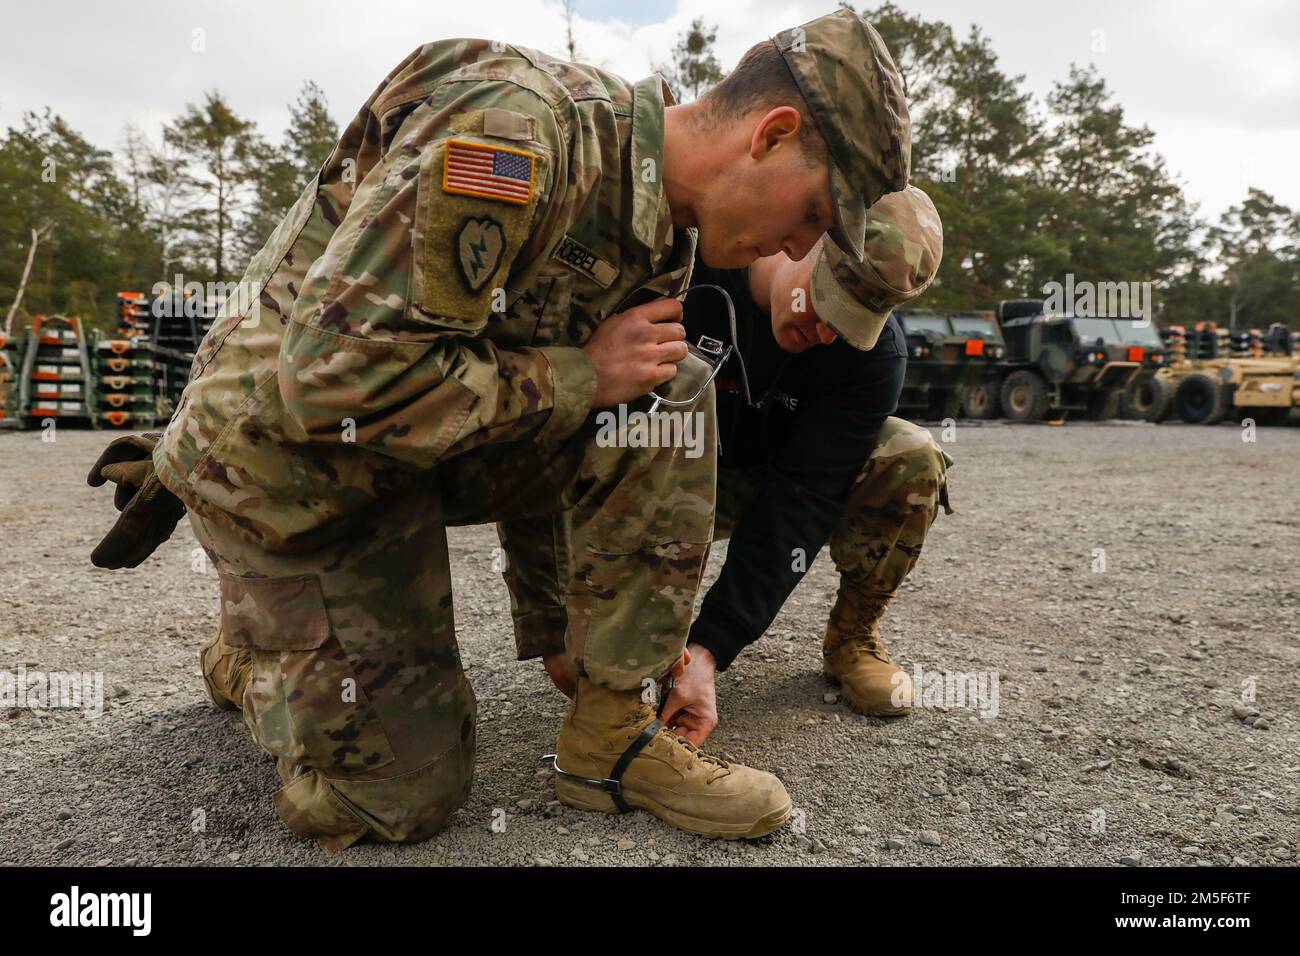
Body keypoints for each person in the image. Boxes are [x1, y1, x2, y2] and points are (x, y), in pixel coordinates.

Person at [86, 9, 911, 850]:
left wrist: (559, 628)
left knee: (667, 389)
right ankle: (254, 654)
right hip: (290, 459)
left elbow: (557, 407)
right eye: (814, 215)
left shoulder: (664, 231)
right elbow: (331, 384)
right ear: (772, 135)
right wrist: (586, 372)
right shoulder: (513, 133)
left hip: (419, 446)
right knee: (401, 799)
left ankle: (612, 737)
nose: (801, 245)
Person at [654, 185, 952, 744]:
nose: (824, 334)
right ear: (806, 239)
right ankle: (642, 639)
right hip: (674, 471)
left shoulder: (874, 358)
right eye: (826, 306)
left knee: (909, 454)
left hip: (773, 476)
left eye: (849, 327)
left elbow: (805, 495)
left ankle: (852, 638)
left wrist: (710, 647)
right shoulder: (694, 269)